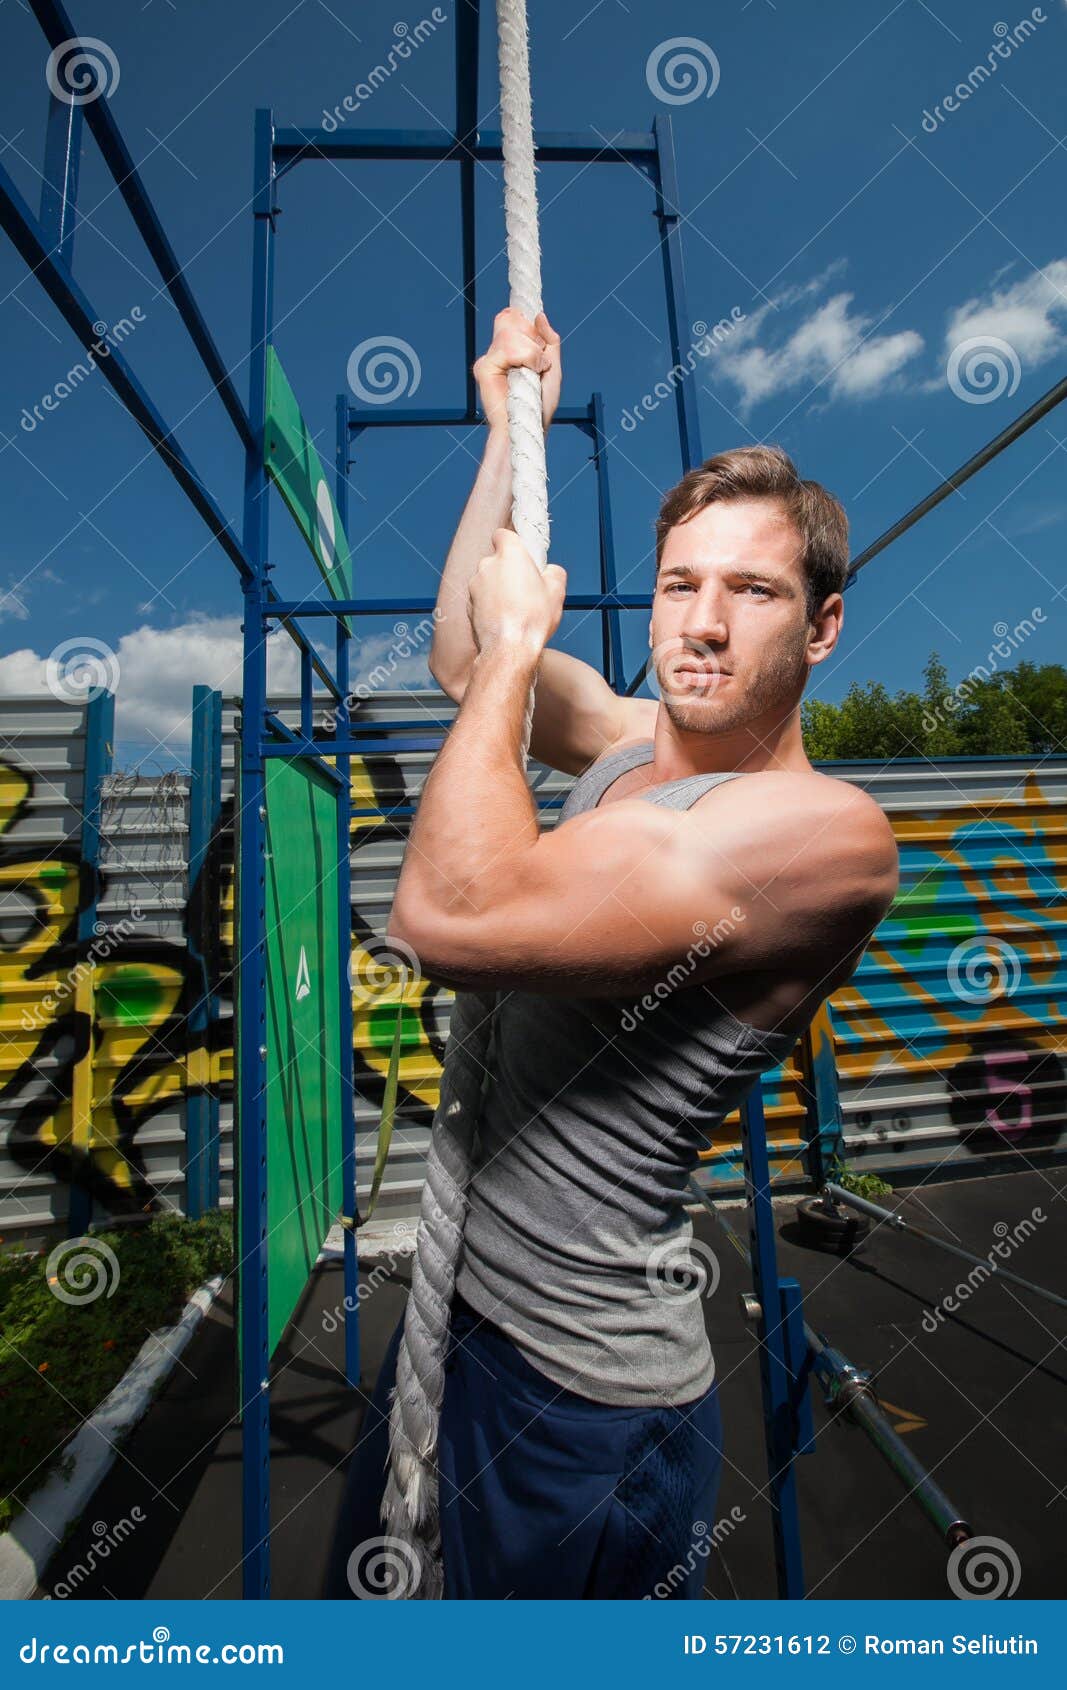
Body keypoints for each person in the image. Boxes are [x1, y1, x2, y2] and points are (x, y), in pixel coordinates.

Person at [324, 308, 899, 1602]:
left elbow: (452, 915)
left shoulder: (826, 836)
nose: (703, 622)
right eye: (681, 584)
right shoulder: (636, 739)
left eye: (753, 591)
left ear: (821, 628)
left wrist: (517, 655)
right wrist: (506, 433)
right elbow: (464, 657)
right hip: (465, 1319)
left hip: (577, 1393)